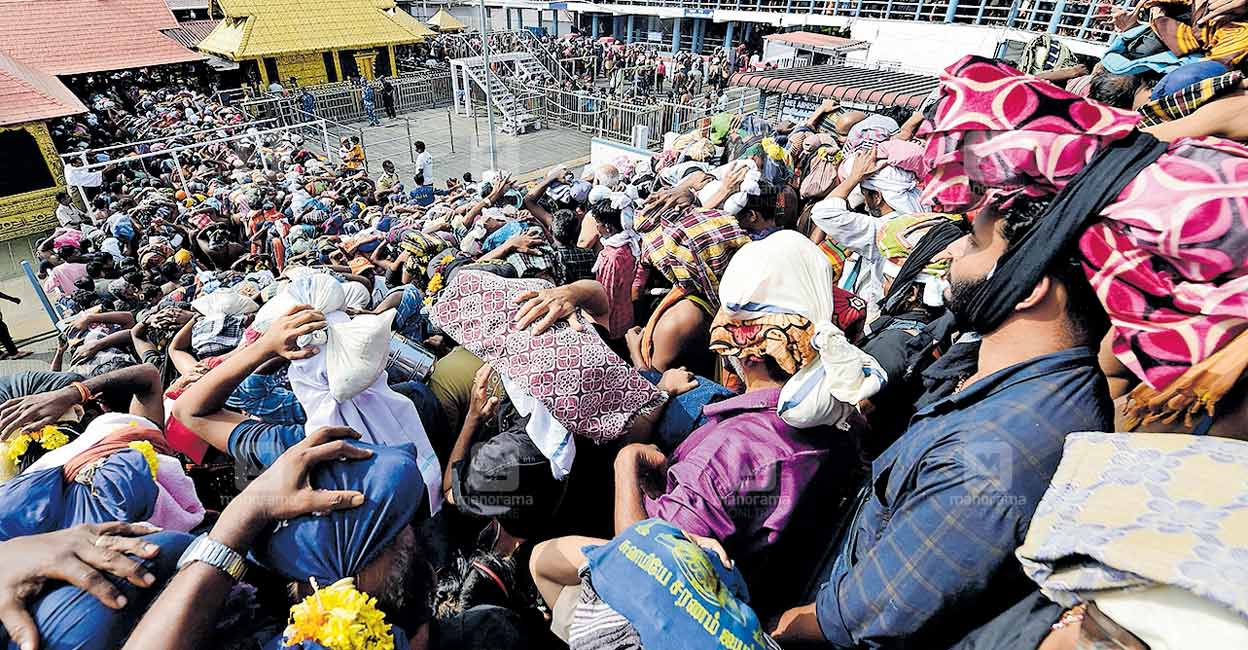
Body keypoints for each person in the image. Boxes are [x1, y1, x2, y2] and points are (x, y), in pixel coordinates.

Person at [769, 192, 1115, 649]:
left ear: (1030, 287)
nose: (951, 249)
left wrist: (763, 624)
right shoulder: (1018, 380)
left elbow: (855, 621)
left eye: (973, 242)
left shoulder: (985, 456)